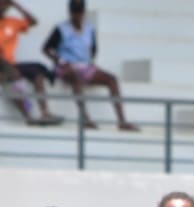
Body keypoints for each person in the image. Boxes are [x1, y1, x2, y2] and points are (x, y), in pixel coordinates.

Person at [42, 0, 138, 131]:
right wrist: (59, 61)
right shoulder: (61, 28)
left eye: (79, 12)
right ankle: (85, 118)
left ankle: (122, 121)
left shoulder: (89, 29)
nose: (77, 16)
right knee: (75, 76)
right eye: (74, 13)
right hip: (66, 67)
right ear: (70, 13)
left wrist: (89, 65)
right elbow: (46, 49)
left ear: (83, 12)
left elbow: (93, 50)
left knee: (111, 79)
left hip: (85, 66)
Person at [0, 0, 62, 125]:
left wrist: (16, 5)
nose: (1, 6)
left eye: (4, 3)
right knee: (14, 76)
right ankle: (28, 116)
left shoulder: (12, 22)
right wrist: (8, 67)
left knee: (38, 71)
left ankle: (45, 112)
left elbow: (33, 21)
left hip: (10, 64)